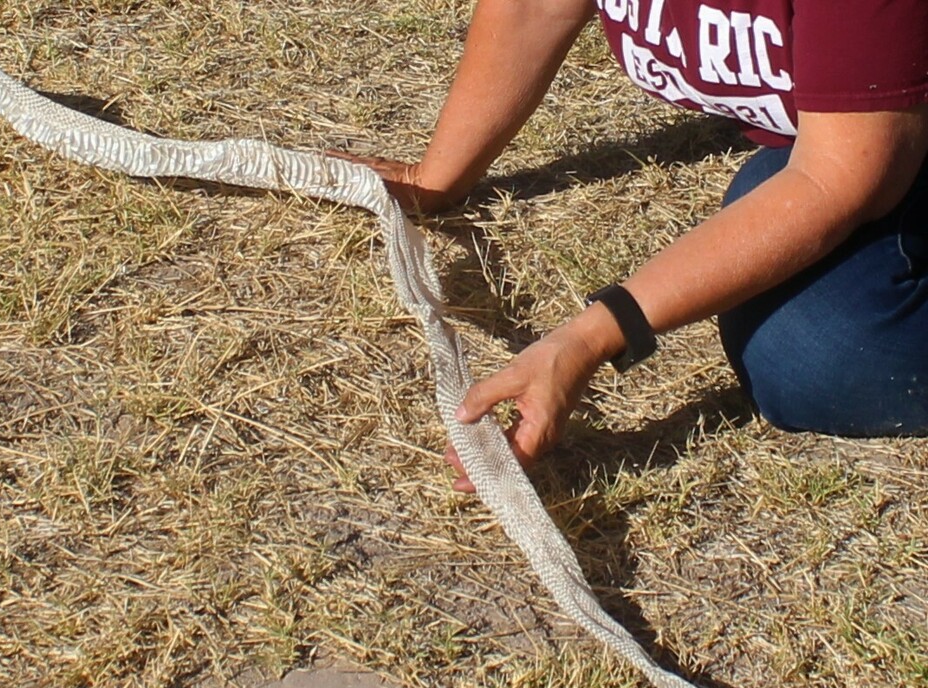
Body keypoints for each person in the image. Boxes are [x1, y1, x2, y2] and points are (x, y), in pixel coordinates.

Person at [344, 0, 928, 492]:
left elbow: (836, 178)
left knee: (816, 353)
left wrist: (592, 335)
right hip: (842, 140)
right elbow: (535, 7)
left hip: (877, 141)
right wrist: (436, 179)